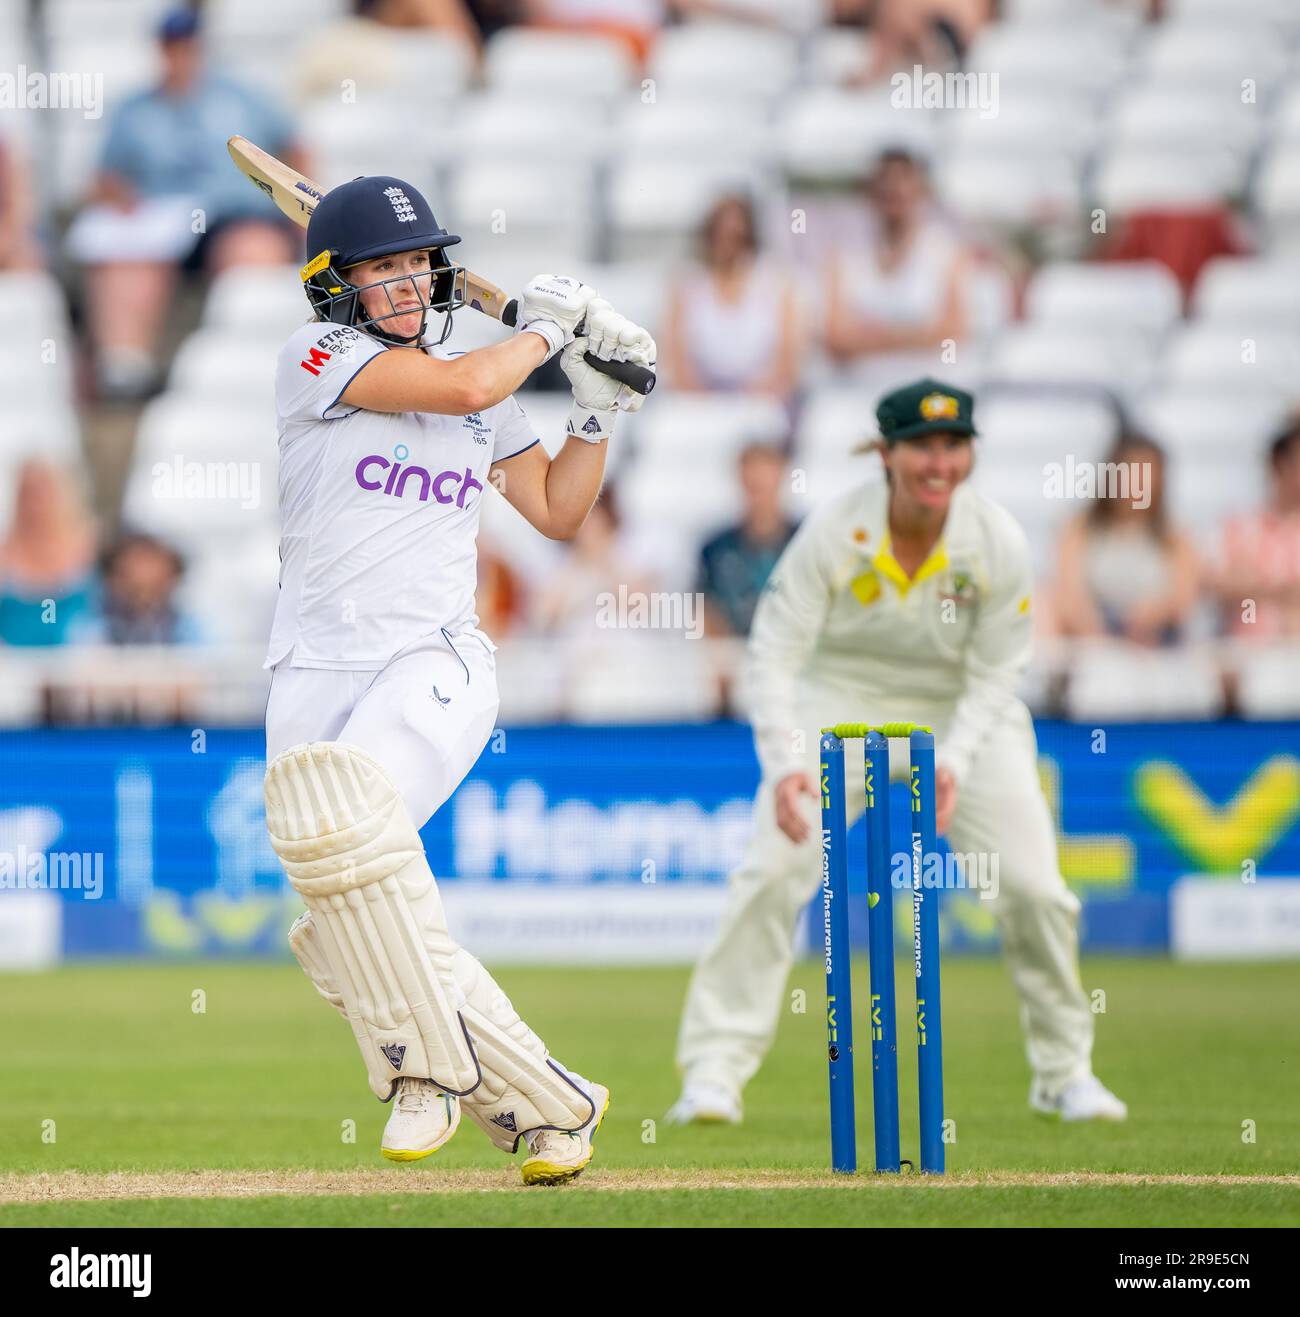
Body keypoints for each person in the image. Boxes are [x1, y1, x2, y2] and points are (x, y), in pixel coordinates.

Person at [260, 172, 654, 1184]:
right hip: (310, 667)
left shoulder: (479, 389)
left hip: (432, 661)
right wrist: (549, 330)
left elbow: (561, 512)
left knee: (355, 842)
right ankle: (549, 1105)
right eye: (380, 269)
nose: (404, 284)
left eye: (415, 265)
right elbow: (474, 384)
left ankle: (420, 1075)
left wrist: (597, 412)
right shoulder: (320, 358)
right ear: (335, 287)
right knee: (344, 915)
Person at [668, 378, 1127, 1126]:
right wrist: (785, 765)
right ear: (886, 453)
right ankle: (714, 1072)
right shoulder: (833, 530)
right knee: (772, 871)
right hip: (840, 704)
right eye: (921, 445)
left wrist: (953, 756)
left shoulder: (997, 541)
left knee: (1037, 890)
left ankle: (1064, 1071)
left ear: (969, 453)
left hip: (964, 713)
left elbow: (997, 671)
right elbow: (774, 654)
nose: (938, 462)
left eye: (953, 445)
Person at [68, 8, 306, 398]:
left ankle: (252, 365)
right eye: (172, 47)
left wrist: (297, 212)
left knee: (252, 253)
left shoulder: (244, 97)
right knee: (125, 256)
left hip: (236, 216)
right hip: (161, 223)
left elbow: (294, 148)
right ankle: (125, 369)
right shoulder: (133, 109)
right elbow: (105, 178)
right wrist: (122, 200)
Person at [824, 150, 969, 393]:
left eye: (903, 184)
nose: (894, 193)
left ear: (920, 192)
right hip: (857, 389)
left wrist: (873, 335)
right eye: (886, 186)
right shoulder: (846, 256)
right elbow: (835, 337)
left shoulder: (945, 252)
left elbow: (952, 333)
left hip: (928, 387)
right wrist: (916, 334)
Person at [1053, 434, 1199, 646]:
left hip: (1155, 640)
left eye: (1148, 472)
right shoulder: (1079, 528)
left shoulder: (1175, 537)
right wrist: (1098, 638)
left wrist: (1152, 615)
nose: (1140, 482)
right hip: (1093, 638)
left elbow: (1182, 600)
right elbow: (1070, 595)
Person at [662, 195, 801, 400]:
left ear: (749, 237)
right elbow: (676, 361)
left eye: (736, 237)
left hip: (762, 399)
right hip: (699, 401)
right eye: (720, 235)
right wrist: (703, 398)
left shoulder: (776, 283)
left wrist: (756, 394)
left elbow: (788, 361)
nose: (727, 246)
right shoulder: (686, 284)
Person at [696, 443, 797, 638]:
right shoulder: (715, 549)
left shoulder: (804, 540)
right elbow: (706, 610)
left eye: (763, 486)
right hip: (736, 654)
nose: (758, 496)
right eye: (752, 486)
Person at [1213, 419, 1300, 639]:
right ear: (1278, 464)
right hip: (1250, 650)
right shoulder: (1243, 527)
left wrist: (1261, 586)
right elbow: (1219, 585)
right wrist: (1280, 590)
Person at [0, 460, 97, 647]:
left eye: (43, 494)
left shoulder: (90, 549)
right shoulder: (4, 553)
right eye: (28, 494)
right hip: (11, 667)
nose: (35, 505)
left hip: (77, 667)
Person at [69, 533, 203, 646]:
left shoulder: (188, 626)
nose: (143, 573)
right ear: (113, 578)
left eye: (150, 562)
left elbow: (205, 663)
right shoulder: (89, 625)